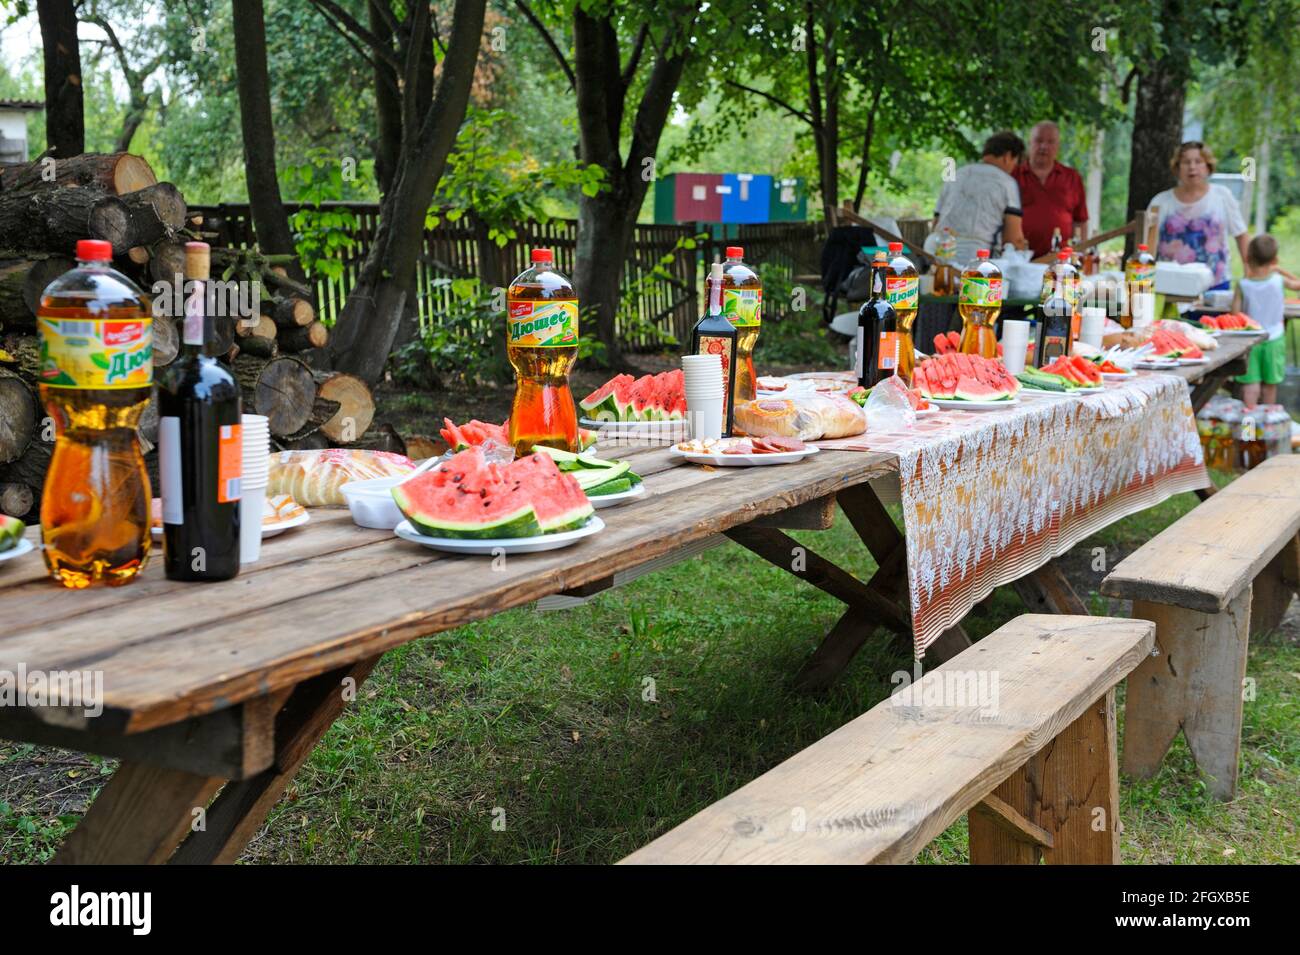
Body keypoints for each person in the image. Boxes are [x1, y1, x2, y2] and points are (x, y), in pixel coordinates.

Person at [1147, 142, 1248, 290]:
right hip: (1169, 286)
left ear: (1208, 167)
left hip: (1215, 285)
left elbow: (1241, 235)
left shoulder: (1222, 196)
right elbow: (1148, 245)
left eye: (1198, 161)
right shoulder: (1160, 202)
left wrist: (1249, 270)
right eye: (1186, 162)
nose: (1192, 167)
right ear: (1177, 168)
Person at [928, 131, 1027, 265]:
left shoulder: (957, 175)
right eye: (1015, 163)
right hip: (975, 260)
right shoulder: (1007, 183)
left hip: (937, 252)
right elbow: (1013, 239)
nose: (1012, 168)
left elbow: (936, 223)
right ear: (1007, 156)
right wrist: (1022, 249)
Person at [1232, 233, 1300, 407]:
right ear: (1274, 259)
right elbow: (1297, 284)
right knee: (1270, 385)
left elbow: (1234, 315)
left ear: (1247, 258)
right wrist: (1279, 269)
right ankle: (1268, 428)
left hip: (1251, 341)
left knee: (1250, 385)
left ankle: (1249, 431)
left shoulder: (1243, 285)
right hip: (1274, 339)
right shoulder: (1278, 280)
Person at [1012, 121, 1089, 258]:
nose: (1044, 147)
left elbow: (1080, 220)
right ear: (1030, 143)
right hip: (1018, 259)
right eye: (1039, 140)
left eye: (1050, 142)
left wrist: (1080, 253)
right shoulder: (1013, 176)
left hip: (1061, 259)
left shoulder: (1072, 177)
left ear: (1058, 146)